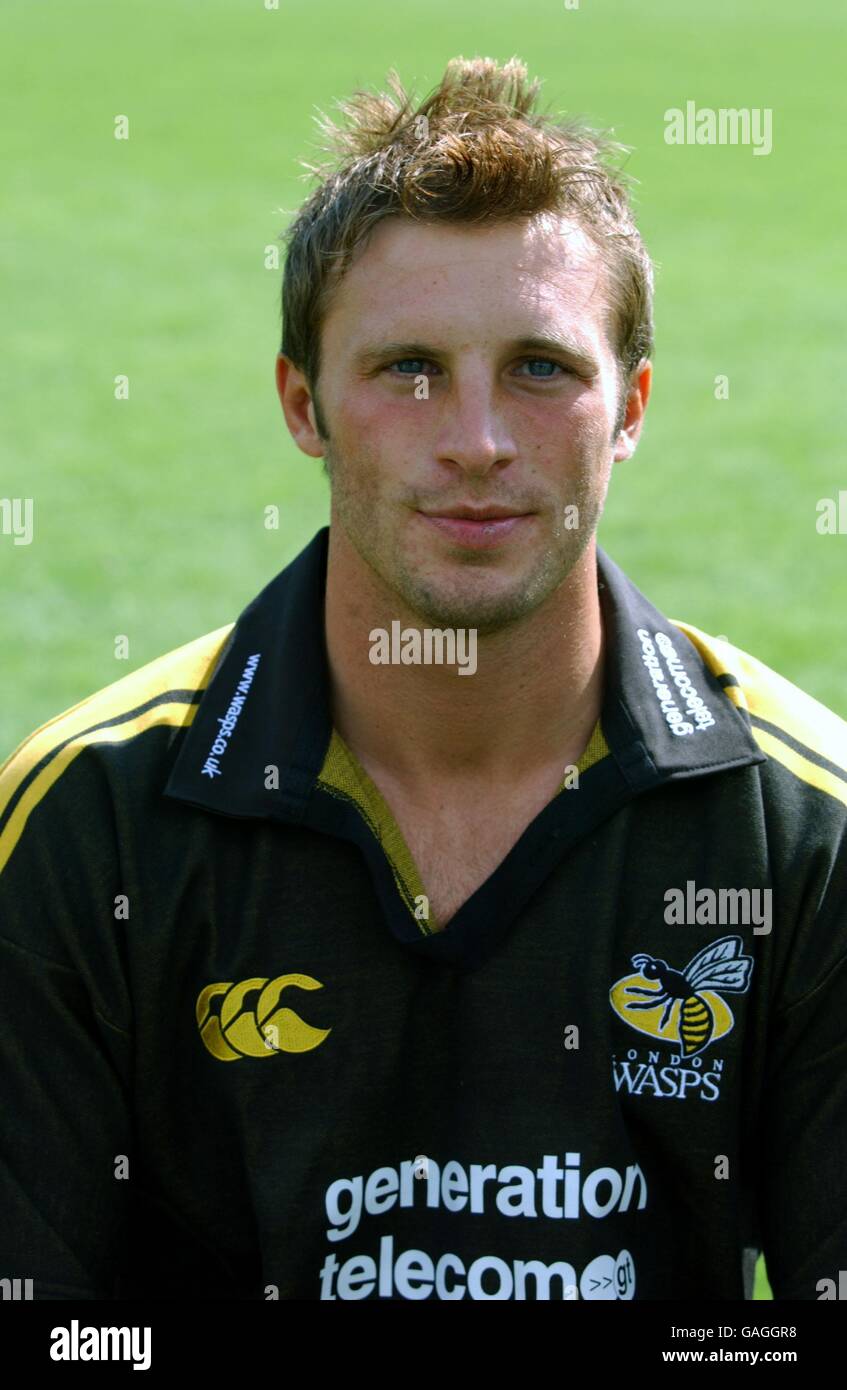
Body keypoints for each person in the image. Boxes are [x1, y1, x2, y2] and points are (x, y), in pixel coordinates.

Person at [1, 56, 845, 1303]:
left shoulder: (799, 833)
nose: (477, 441)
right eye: (407, 370)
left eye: (541, 369)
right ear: (304, 405)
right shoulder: (84, 822)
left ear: (632, 409)